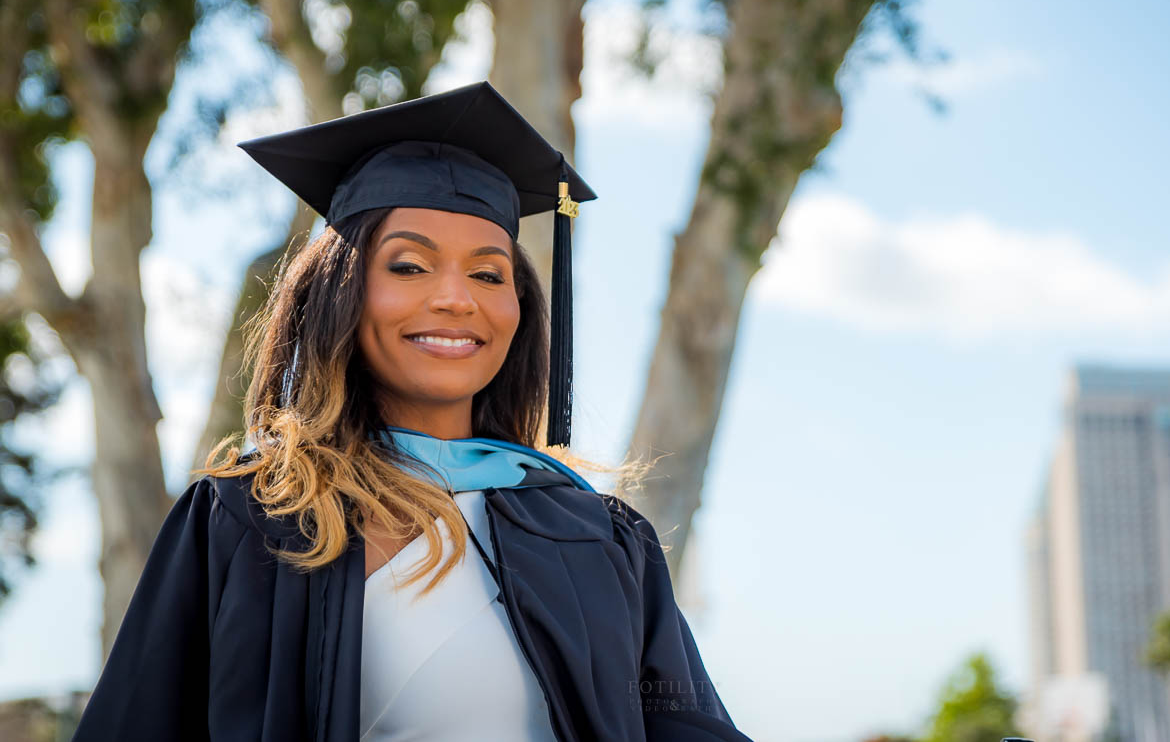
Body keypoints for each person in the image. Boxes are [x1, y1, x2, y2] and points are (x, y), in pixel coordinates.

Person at [71, 81, 752, 742]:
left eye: (489, 274)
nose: (458, 298)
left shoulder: (598, 536)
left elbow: (682, 724)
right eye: (409, 266)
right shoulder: (251, 522)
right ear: (341, 293)